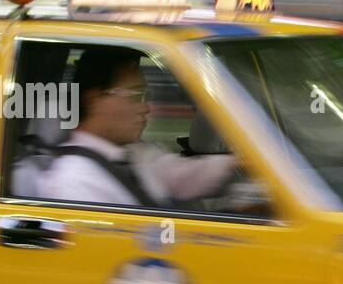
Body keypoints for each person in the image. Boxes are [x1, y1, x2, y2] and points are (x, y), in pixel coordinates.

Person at [38, 47, 239, 208]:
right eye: (134, 96)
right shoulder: (74, 182)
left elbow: (180, 176)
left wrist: (239, 163)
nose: (145, 108)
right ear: (94, 100)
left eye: (145, 96)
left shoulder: (136, 154)